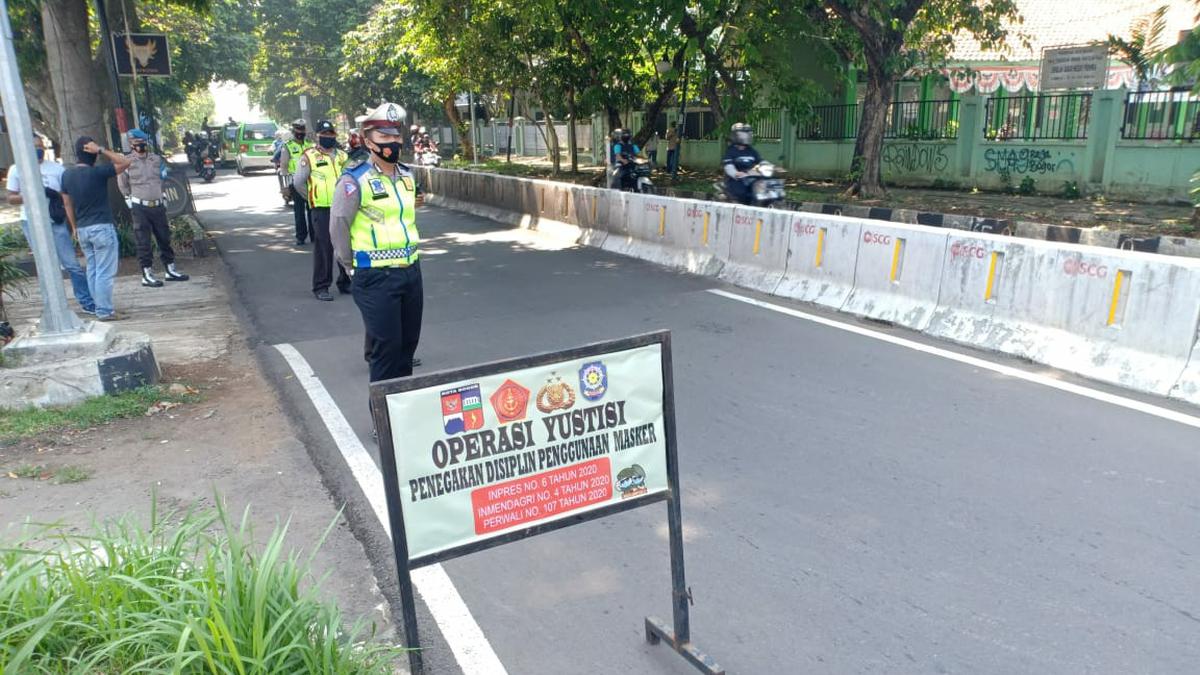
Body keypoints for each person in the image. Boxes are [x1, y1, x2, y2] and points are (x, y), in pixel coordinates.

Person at [331, 101, 423, 389]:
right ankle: (381, 422)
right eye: (384, 138)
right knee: (387, 349)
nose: (393, 143)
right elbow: (338, 226)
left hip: (410, 273)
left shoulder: (407, 176)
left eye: (396, 136)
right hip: (374, 276)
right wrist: (350, 268)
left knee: (407, 346)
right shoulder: (354, 180)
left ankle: (402, 413)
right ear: (367, 140)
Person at [5, 134, 95, 314]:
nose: (38, 151)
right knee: (44, 266)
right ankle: (53, 306)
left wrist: (72, 224)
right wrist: (31, 195)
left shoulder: (57, 169)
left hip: (56, 222)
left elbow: (67, 197)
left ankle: (86, 301)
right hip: (31, 222)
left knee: (72, 264)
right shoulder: (17, 169)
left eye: (41, 147)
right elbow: (10, 198)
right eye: (34, 147)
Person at [61, 137, 131, 322]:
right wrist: (101, 149)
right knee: (104, 272)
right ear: (91, 152)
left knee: (92, 269)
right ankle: (105, 311)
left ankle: (99, 306)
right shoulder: (98, 172)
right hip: (101, 227)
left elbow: (67, 203)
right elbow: (125, 162)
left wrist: (74, 227)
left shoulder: (67, 175)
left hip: (83, 229)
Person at [118, 129, 189, 288]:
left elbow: (163, 178)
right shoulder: (126, 161)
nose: (138, 145)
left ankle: (170, 270)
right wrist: (127, 198)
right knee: (143, 241)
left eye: (140, 142)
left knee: (164, 237)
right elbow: (122, 183)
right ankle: (147, 273)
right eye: (135, 143)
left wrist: (163, 195)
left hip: (157, 204)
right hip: (139, 205)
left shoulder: (156, 160)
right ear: (130, 144)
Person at [294, 119, 350, 301]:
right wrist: (312, 196)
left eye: (331, 134)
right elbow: (298, 183)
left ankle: (346, 282)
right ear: (317, 136)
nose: (328, 137)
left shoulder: (342, 156)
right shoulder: (308, 156)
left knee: (345, 245)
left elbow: (351, 180)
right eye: (324, 135)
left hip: (342, 207)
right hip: (321, 208)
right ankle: (321, 286)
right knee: (324, 247)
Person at [278, 119, 314, 245]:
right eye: (298, 130)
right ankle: (301, 237)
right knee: (299, 212)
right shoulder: (287, 146)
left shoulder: (310, 145)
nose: (300, 132)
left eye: (302, 130)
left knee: (312, 210)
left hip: (310, 182)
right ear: (294, 131)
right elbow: (284, 167)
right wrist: (286, 187)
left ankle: (314, 235)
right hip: (295, 182)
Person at [722, 122, 762, 205]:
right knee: (741, 194)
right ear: (735, 136)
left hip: (751, 178)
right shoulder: (731, 151)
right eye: (742, 134)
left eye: (747, 134)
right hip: (736, 180)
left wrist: (770, 167)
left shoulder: (751, 150)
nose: (745, 137)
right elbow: (728, 166)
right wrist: (735, 173)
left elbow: (760, 161)